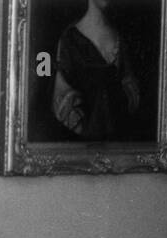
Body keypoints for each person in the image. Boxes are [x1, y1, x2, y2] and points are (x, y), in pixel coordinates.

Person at [53, 0, 142, 141]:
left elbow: (132, 97)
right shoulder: (69, 39)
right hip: (82, 143)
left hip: (119, 141)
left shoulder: (121, 39)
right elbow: (61, 97)